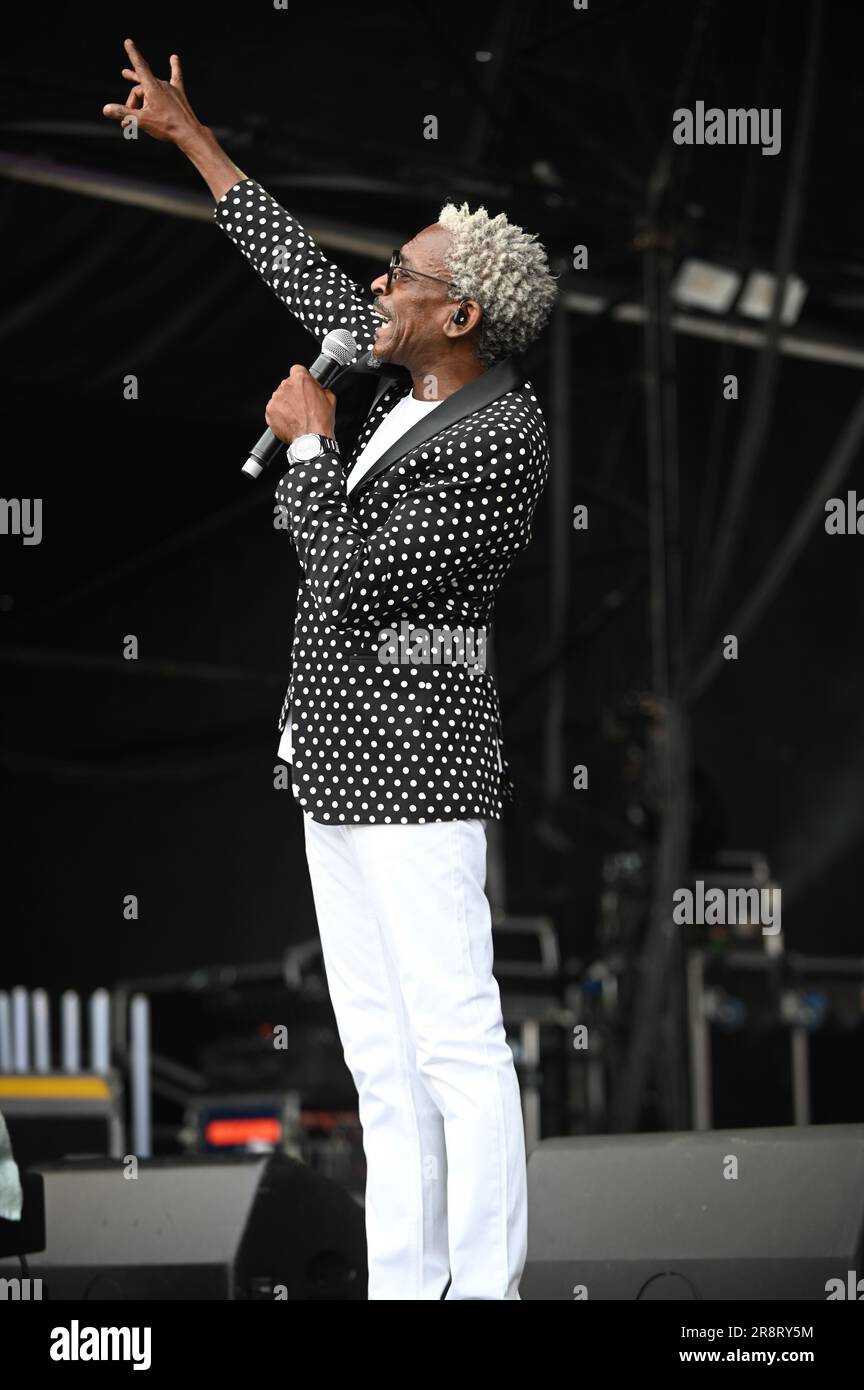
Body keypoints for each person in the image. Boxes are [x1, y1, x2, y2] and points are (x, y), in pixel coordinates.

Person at [103, 38, 558, 1300]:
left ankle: (488, 1292)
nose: (375, 284)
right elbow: (295, 260)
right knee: (380, 1062)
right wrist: (190, 135)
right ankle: (408, 1290)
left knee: (459, 1046)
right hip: (335, 763)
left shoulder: (501, 439)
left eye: (402, 274)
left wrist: (308, 450)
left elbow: (357, 579)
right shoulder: (388, 356)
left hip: (417, 767)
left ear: (459, 315)